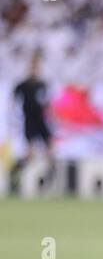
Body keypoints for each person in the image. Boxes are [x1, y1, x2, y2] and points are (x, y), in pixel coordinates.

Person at [11, 54, 55, 192]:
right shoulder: (22, 85)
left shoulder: (42, 84)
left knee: (50, 150)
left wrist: (52, 115)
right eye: (32, 67)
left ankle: (48, 182)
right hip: (29, 120)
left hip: (40, 120)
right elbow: (12, 103)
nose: (34, 70)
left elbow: (47, 103)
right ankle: (14, 176)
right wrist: (14, 119)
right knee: (30, 154)